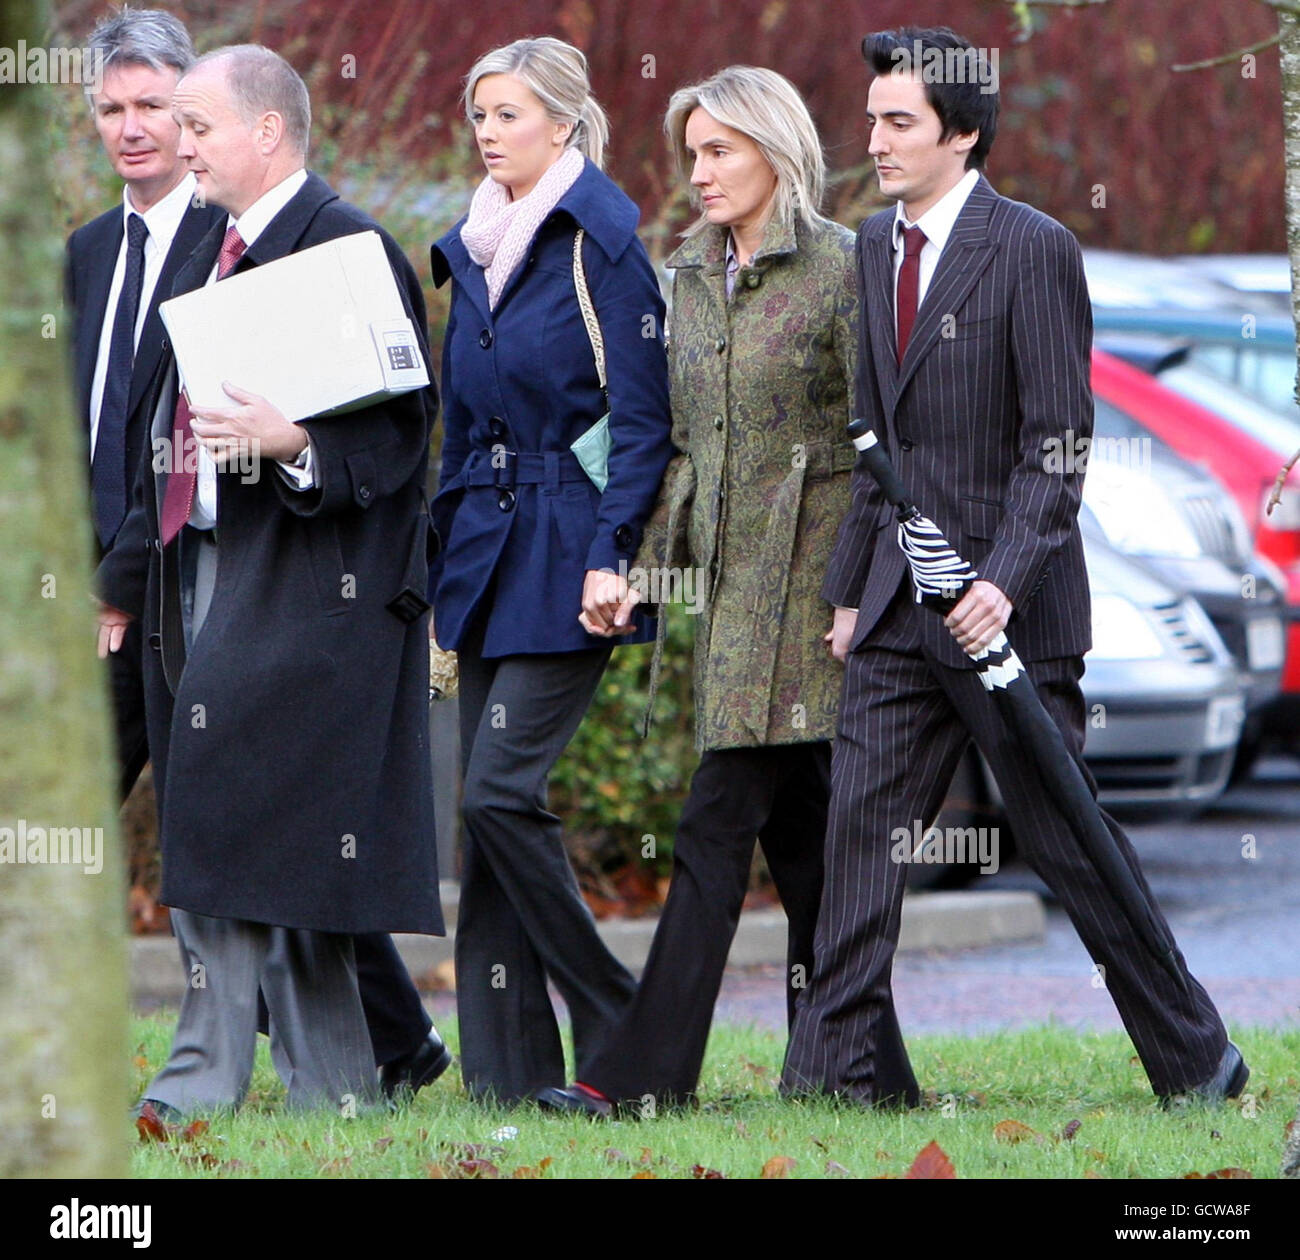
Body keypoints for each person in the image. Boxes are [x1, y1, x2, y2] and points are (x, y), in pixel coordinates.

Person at [780, 25, 1246, 1108]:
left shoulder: (1032, 247)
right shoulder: (868, 244)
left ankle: (1196, 1059)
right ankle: (831, 1078)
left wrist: (1002, 576)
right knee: (856, 833)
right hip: (899, 606)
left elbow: (1059, 445)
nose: (876, 140)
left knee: (1068, 842)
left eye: (898, 123)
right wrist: (850, 589)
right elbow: (871, 439)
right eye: (873, 120)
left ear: (964, 132)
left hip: (1011, 614)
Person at [95, 44, 443, 1116]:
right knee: (259, 836)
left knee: (246, 819)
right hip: (195, 577)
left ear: (268, 132)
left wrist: (294, 440)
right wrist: (128, 571)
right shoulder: (212, 244)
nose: (177, 144)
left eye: (197, 125)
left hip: (308, 593)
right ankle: (338, 1090)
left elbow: (401, 437)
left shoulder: (348, 245)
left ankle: (202, 1085)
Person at [539, 66, 893, 1118]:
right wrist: (634, 569)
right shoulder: (684, 275)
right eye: (691, 152)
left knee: (712, 824)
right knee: (808, 843)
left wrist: (859, 592)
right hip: (733, 593)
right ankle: (862, 1069)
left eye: (719, 150)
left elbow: (884, 446)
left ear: (776, 151)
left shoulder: (842, 267)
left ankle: (638, 1076)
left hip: (821, 592)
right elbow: (676, 451)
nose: (697, 172)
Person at [428, 36, 673, 1105]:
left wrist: (613, 551)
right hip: (484, 554)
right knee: (481, 823)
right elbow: (454, 427)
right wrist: (438, 571)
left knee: (497, 794)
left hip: (578, 556)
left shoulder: (602, 242)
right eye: (478, 113)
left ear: (564, 125)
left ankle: (631, 1032)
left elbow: (644, 423)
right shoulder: (476, 244)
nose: (487, 132)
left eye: (509, 114)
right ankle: (505, 1079)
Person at [67, 8, 222, 803]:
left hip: (179, 589)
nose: (130, 128)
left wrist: (118, 581)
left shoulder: (231, 242)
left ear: (189, 110)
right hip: (83, 589)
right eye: (111, 109)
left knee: (216, 829)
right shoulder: (88, 251)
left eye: (150, 107)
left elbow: (196, 435)